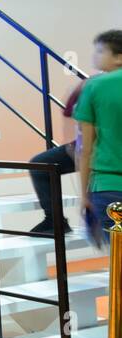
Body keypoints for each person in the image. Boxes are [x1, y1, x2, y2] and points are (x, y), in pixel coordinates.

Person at [73, 30, 122, 248]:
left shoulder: (94, 86)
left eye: (101, 51)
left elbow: (85, 148)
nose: (95, 55)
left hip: (108, 185)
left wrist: (84, 195)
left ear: (119, 57)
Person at [28, 76, 90, 236]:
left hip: (97, 146)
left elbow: (69, 109)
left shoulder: (95, 83)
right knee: (40, 165)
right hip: (99, 146)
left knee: (40, 165)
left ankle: (54, 220)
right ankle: (54, 220)